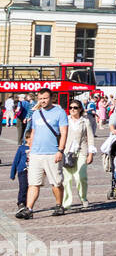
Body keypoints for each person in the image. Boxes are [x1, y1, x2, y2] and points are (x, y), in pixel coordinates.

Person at [17, 87, 68, 219]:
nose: (42, 101)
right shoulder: (36, 113)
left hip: (52, 152)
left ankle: (59, 205)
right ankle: (29, 209)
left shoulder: (59, 112)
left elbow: (64, 133)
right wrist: (30, 150)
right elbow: (33, 133)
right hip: (36, 154)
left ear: (51, 98)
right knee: (33, 183)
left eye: (45, 98)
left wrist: (60, 150)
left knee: (56, 182)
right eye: (40, 99)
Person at [62, 99, 96, 209]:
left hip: (81, 151)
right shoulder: (65, 120)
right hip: (67, 152)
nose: (72, 109)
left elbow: (90, 137)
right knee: (67, 179)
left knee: (81, 177)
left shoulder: (85, 121)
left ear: (80, 109)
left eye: (75, 107)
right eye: (70, 107)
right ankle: (66, 203)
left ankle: (83, 197)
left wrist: (90, 153)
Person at [11, 128, 31, 212]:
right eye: (30, 139)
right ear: (26, 139)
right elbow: (15, 161)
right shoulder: (21, 148)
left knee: (30, 187)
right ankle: (21, 202)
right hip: (22, 171)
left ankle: (28, 203)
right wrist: (12, 173)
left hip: (31, 171)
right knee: (23, 187)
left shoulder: (36, 148)